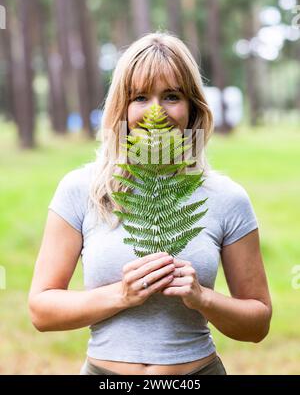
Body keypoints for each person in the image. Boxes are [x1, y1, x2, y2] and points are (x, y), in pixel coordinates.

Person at [28, 32, 272, 376]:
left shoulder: (227, 198)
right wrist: (122, 294)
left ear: (192, 108)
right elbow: (41, 310)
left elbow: (258, 323)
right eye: (140, 97)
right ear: (122, 108)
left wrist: (202, 298)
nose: (155, 111)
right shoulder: (81, 189)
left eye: (171, 96)